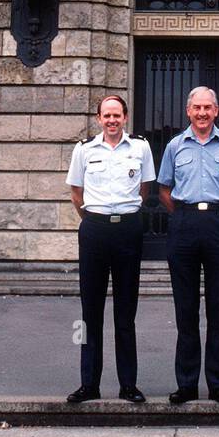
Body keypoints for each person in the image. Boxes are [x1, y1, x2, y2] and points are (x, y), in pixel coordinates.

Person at [64, 94, 155, 403]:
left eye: (118, 115)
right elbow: (77, 192)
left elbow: (144, 188)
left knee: (125, 312)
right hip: (95, 229)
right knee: (90, 311)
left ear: (125, 118)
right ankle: (89, 383)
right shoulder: (85, 149)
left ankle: (128, 385)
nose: (113, 120)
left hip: (128, 228)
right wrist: (93, 218)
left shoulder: (141, 148)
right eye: (107, 115)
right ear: (99, 118)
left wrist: (125, 214)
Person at [158, 86, 219, 404]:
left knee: (218, 308)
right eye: (197, 108)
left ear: (217, 111)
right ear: (188, 111)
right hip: (184, 225)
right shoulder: (174, 146)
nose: (202, 113)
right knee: (186, 309)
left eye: (208, 107)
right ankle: (186, 383)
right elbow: (164, 188)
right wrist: (185, 216)